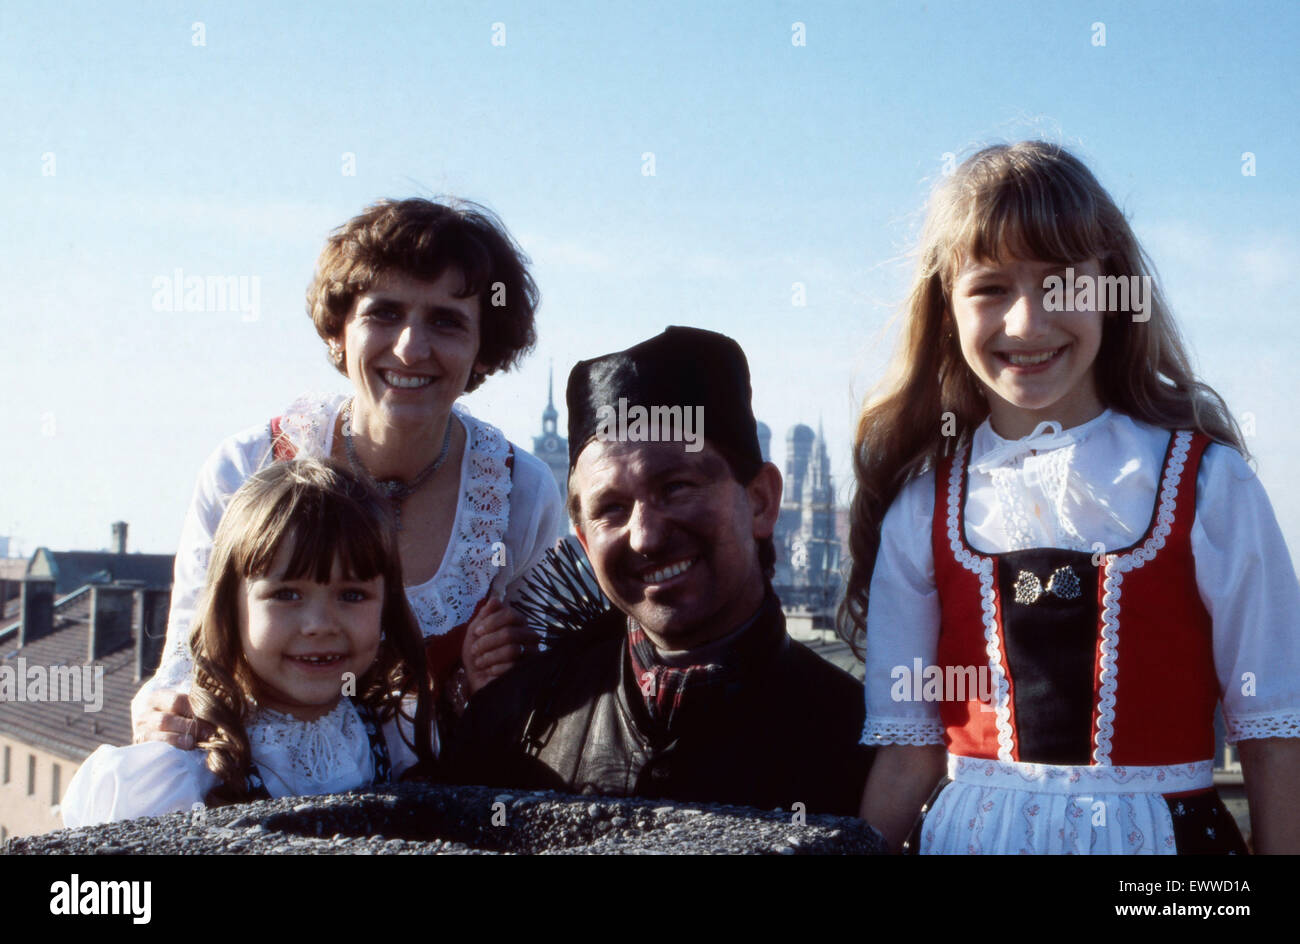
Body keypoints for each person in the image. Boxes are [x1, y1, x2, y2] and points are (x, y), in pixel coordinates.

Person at [845, 141, 1300, 854]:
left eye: (1062, 284)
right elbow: (909, 755)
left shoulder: (1211, 485)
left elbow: (1275, 734)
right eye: (991, 287)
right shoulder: (924, 504)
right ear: (946, 306)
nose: (1028, 322)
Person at [131, 198, 565, 748]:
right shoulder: (245, 469)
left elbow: (543, 705)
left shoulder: (519, 494)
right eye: (384, 313)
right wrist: (167, 712)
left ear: (484, 351)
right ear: (339, 331)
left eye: (446, 321)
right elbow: (185, 670)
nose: (411, 348)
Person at [446, 327, 872, 816]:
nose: (645, 536)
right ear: (583, 540)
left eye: (675, 487)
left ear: (760, 501)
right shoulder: (515, 719)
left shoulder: (862, 745)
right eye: (611, 508)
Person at [64, 459, 436, 825]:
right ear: (231, 608)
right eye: (287, 595)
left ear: (386, 607)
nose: (320, 625)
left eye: (352, 595)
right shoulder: (186, 767)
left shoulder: (397, 735)